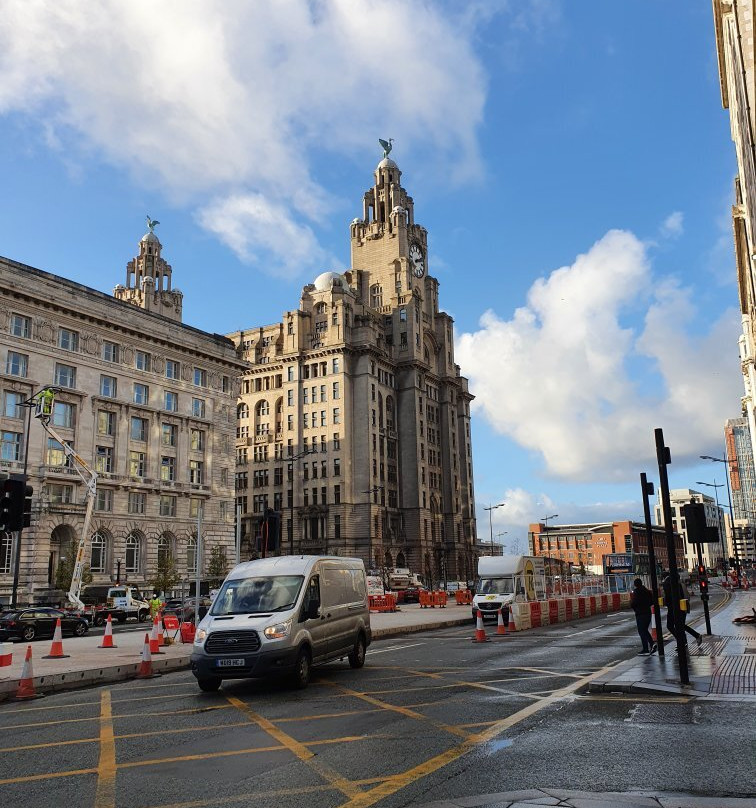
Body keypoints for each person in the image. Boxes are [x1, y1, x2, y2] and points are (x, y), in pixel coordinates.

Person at [662, 572, 702, 648]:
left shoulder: (669, 584)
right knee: (680, 625)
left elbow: (669, 596)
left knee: (673, 626)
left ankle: (684, 641)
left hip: (675, 607)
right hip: (682, 606)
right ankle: (686, 640)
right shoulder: (680, 584)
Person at [630, 578, 656, 655]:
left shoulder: (636, 592)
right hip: (647, 612)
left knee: (641, 631)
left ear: (635, 584)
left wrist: (634, 607)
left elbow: (634, 603)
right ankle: (651, 644)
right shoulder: (647, 591)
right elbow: (652, 601)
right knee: (644, 630)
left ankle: (646, 648)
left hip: (640, 613)